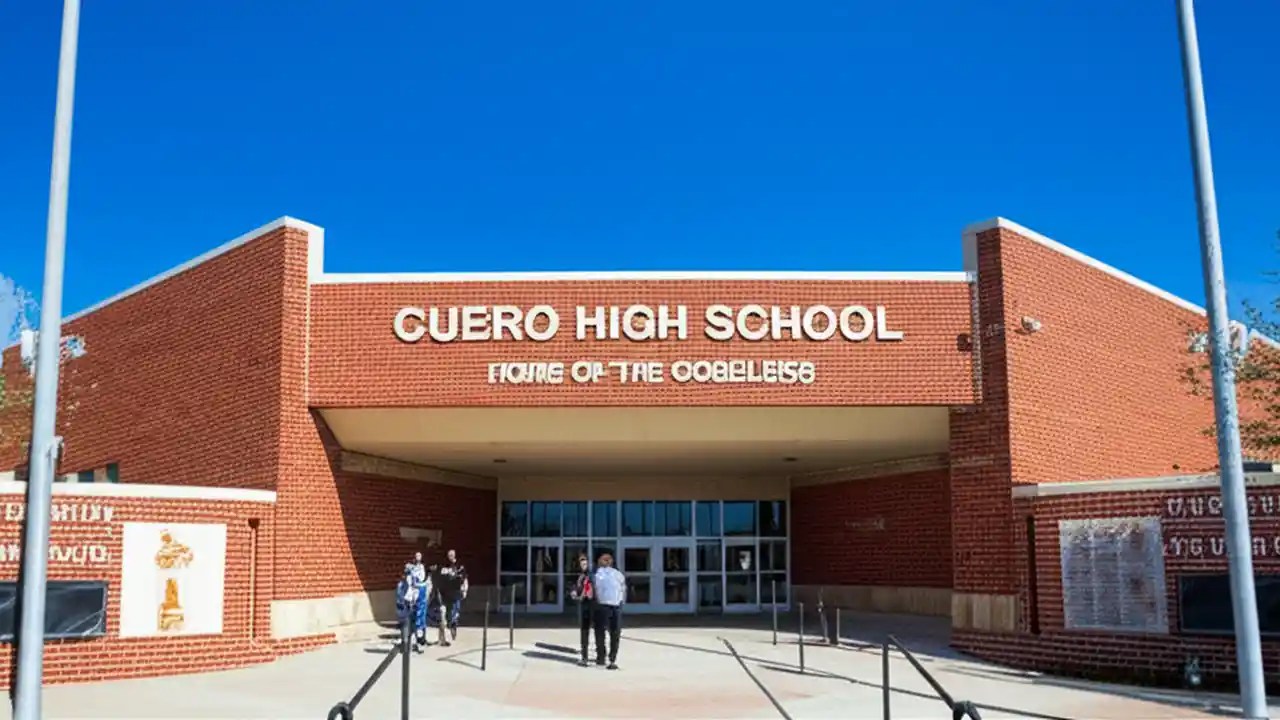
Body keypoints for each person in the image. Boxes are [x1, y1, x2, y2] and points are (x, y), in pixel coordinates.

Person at [591, 553, 626, 670]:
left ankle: (612, 658)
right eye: (604, 559)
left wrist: (621, 602)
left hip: (615, 606)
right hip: (602, 606)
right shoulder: (596, 574)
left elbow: (623, 588)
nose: (606, 561)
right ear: (599, 561)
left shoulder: (617, 574)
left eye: (608, 559)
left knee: (615, 633)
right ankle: (601, 656)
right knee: (600, 633)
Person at [395, 563, 428, 653]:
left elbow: (417, 594)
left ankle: (413, 644)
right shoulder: (402, 585)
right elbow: (401, 598)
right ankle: (406, 646)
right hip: (405, 608)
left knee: (414, 626)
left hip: (412, 607)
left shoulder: (414, 584)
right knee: (406, 627)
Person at [569, 553, 595, 666]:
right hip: (584, 605)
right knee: (584, 631)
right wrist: (574, 591)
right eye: (581, 563)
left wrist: (582, 595)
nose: (583, 565)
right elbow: (575, 585)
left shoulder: (592, 575)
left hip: (593, 605)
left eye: (585, 563)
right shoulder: (580, 575)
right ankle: (584, 656)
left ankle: (600, 654)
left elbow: (589, 589)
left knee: (598, 631)